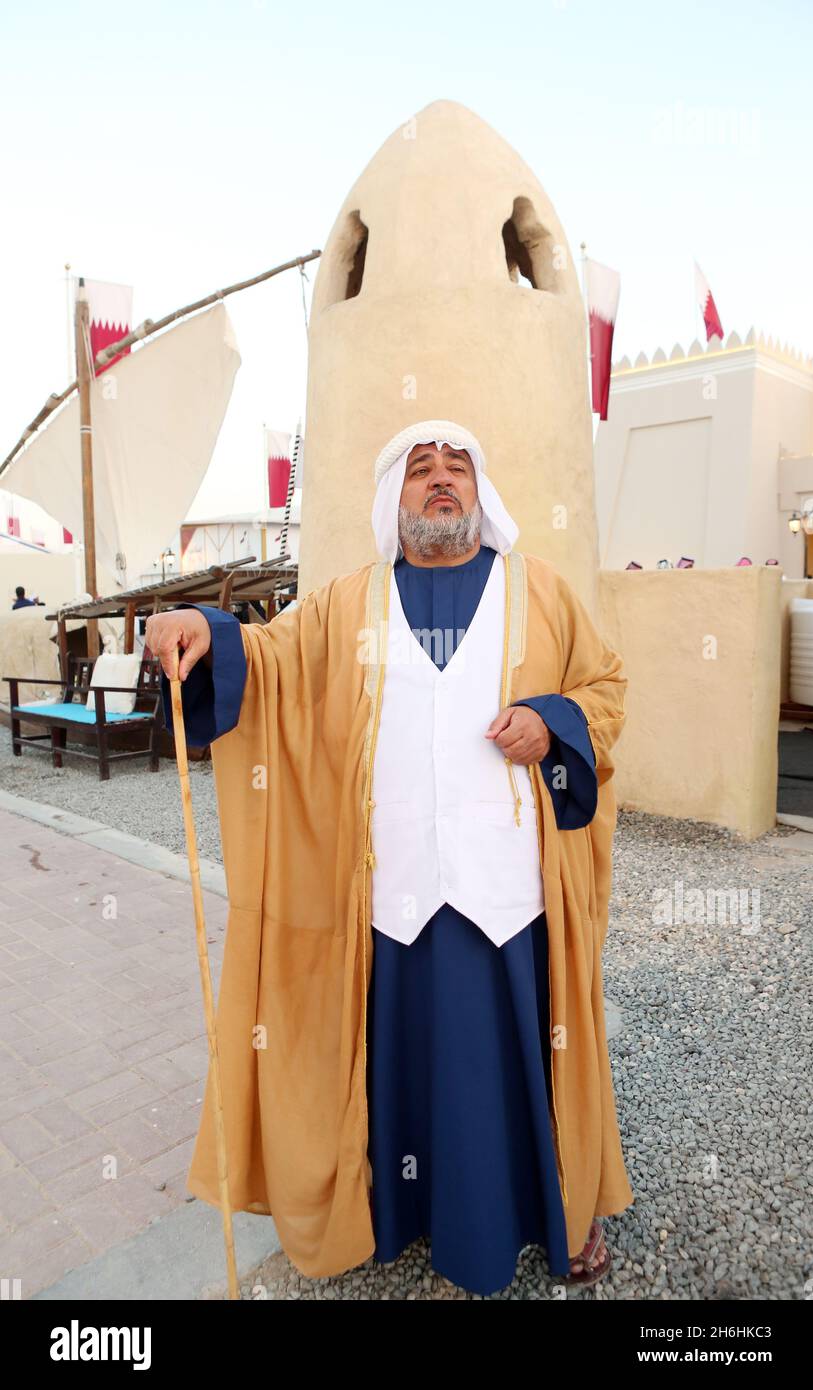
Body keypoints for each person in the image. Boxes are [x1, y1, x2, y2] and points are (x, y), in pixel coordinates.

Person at [147, 419, 633, 1296]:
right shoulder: (345, 604)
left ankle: (550, 1208)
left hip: (510, 895)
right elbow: (270, 662)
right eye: (420, 470)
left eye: (456, 468)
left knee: (517, 1061)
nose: (440, 481)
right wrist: (203, 628)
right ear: (393, 498)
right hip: (394, 897)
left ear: (480, 492)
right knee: (403, 1069)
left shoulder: (542, 592)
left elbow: (603, 689)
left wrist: (550, 720)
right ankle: (402, 1215)